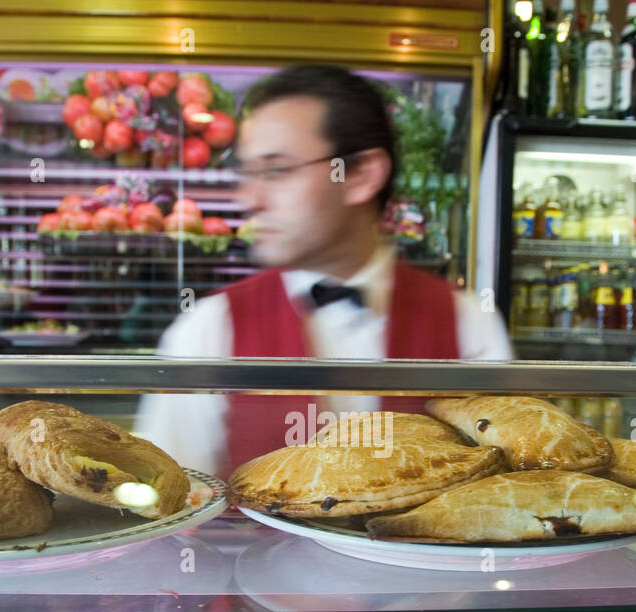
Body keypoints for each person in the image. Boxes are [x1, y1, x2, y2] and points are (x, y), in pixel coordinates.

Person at [134, 64, 512, 477]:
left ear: (362, 175)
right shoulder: (206, 331)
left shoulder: (470, 326)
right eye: (247, 173)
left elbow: (501, 493)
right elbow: (167, 509)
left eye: (276, 171)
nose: (251, 198)